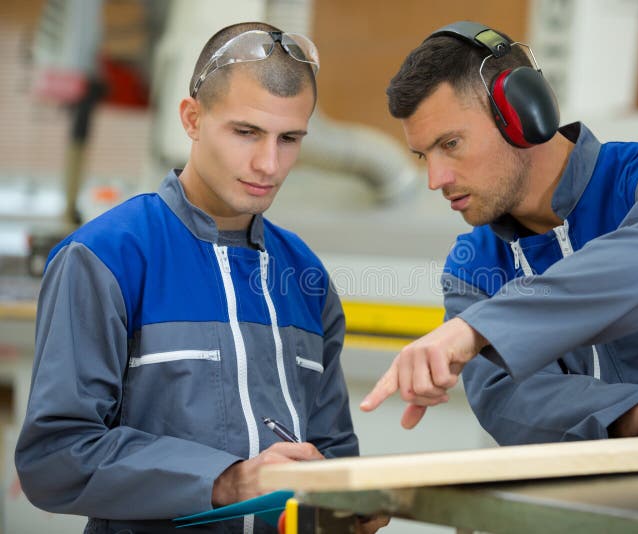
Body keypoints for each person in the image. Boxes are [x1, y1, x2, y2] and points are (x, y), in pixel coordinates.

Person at [16, 22, 387, 534]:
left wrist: (350, 502)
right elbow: (54, 458)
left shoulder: (305, 276)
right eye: (246, 132)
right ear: (192, 118)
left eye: (290, 139)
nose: (268, 164)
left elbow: (331, 450)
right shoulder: (105, 258)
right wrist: (226, 481)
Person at [360, 21, 638, 444]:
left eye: (450, 144)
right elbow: (509, 401)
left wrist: (479, 329)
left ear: (523, 114)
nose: (435, 178)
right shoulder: (475, 265)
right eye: (422, 154)